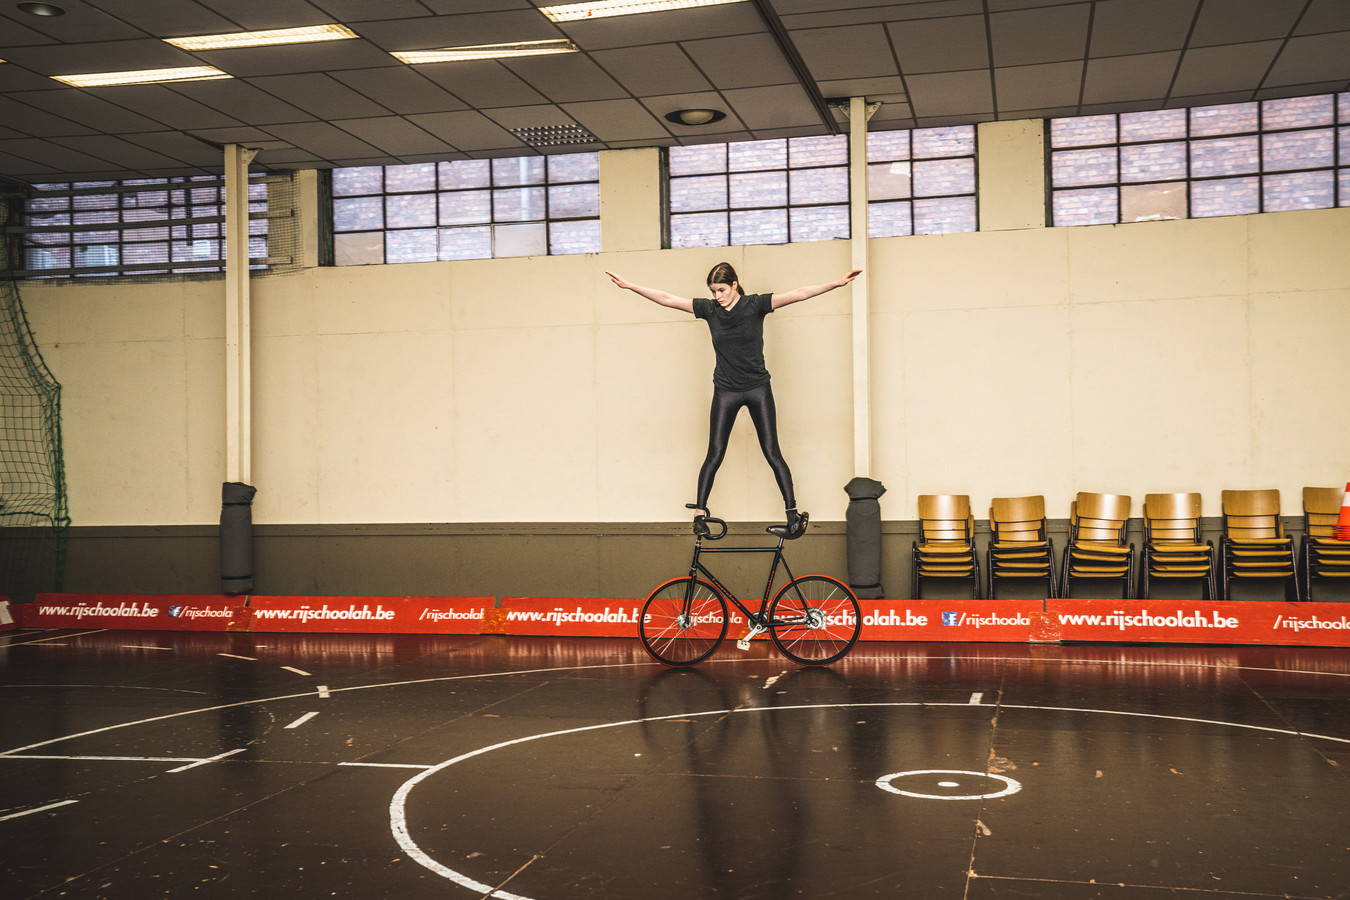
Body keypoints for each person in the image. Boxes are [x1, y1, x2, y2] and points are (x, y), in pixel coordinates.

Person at [606, 262, 861, 538]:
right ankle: (699, 514)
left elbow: (798, 293)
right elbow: (668, 299)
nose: (718, 296)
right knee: (715, 452)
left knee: (772, 451)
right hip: (725, 390)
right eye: (714, 291)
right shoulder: (709, 310)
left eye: (722, 290)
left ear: (735, 285)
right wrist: (631, 286)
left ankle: (793, 516)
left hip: (757, 388)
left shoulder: (755, 305)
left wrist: (836, 283)